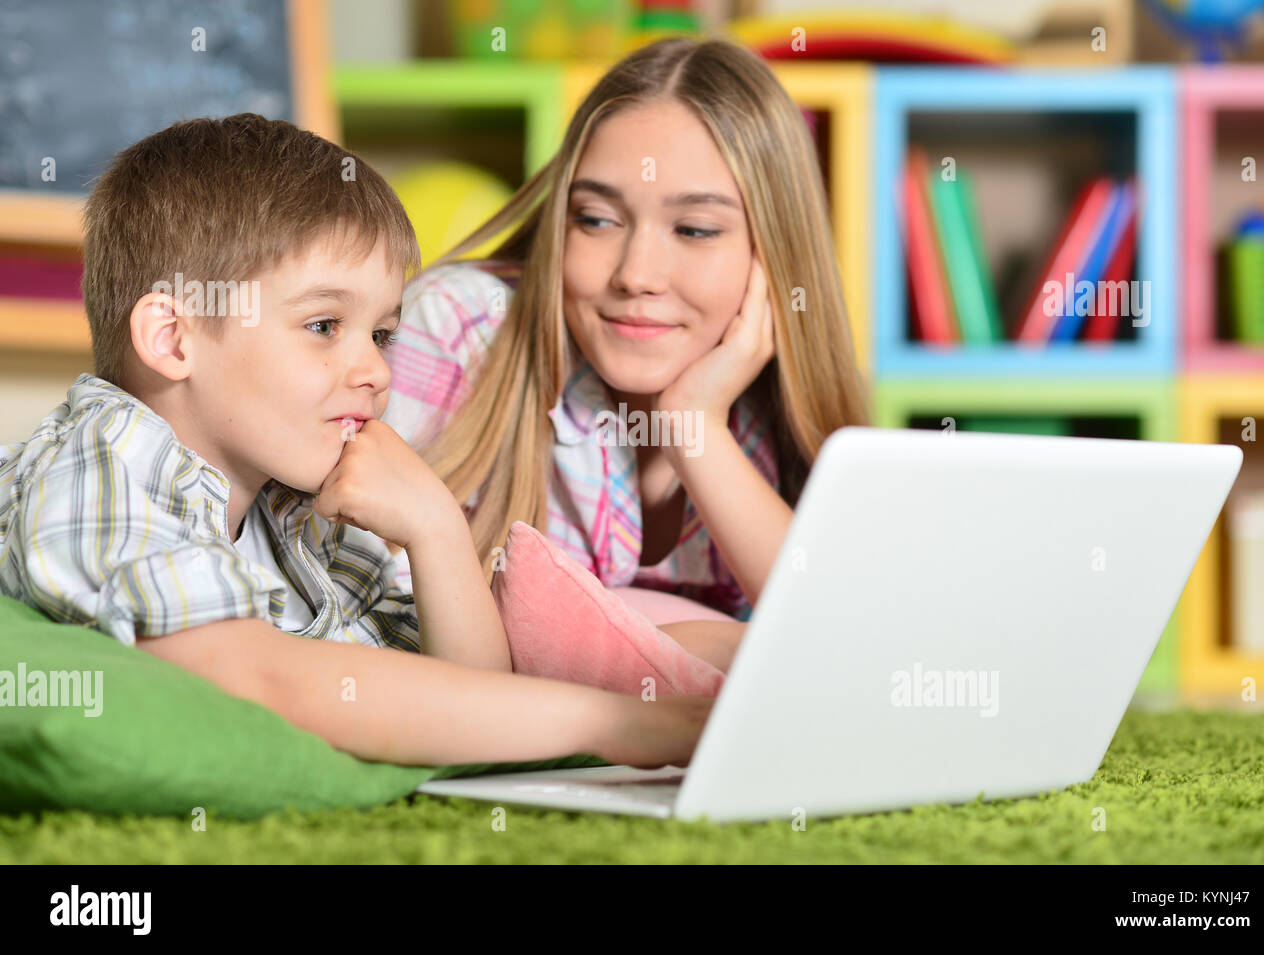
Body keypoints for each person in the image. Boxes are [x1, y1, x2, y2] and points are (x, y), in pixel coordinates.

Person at [0, 114, 709, 769]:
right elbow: (252, 674)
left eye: (382, 334)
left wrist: (435, 526)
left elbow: (466, 698)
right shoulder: (102, 458)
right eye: (323, 327)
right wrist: (611, 724)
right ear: (173, 337)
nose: (374, 371)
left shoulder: (300, 498)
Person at [382, 38, 870, 663]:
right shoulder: (460, 326)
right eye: (597, 219)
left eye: (694, 229)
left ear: (774, 256)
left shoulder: (781, 409)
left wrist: (695, 425)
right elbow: (361, 613)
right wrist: (683, 633)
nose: (636, 274)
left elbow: (850, 643)